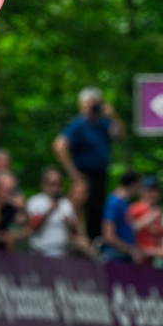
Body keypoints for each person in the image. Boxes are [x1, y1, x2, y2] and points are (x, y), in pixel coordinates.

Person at [53, 87, 124, 241]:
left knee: (98, 210)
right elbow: (60, 145)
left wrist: (113, 116)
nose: (94, 107)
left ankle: (96, 241)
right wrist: (73, 173)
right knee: (80, 208)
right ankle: (80, 239)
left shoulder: (103, 125)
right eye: (90, 104)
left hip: (101, 174)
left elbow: (119, 134)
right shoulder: (78, 125)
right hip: (84, 173)